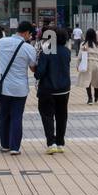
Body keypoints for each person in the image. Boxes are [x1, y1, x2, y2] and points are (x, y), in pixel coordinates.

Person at [0, 21, 38, 156]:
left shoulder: (2, 42)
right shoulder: (28, 48)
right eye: (30, 35)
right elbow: (33, 68)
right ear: (26, 33)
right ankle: (15, 147)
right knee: (16, 117)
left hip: (3, 87)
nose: (29, 37)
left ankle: (4, 144)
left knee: (3, 116)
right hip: (20, 89)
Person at [35, 25, 72, 154]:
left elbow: (39, 73)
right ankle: (60, 143)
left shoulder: (46, 52)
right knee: (62, 116)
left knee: (47, 116)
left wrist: (35, 71)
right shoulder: (67, 52)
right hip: (64, 89)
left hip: (47, 90)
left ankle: (51, 143)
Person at [76, 28, 98, 104]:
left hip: (86, 64)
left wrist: (77, 65)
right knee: (96, 81)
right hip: (96, 65)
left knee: (87, 81)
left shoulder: (83, 44)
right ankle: (96, 96)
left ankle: (90, 98)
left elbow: (79, 56)